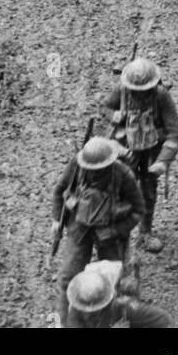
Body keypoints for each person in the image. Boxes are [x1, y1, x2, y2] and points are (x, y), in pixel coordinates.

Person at [51, 136, 145, 326]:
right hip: (80, 226)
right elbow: (59, 191)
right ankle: (63, 322)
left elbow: (138, 210)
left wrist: (116, 230)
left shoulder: (123, 174)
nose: (92, 172)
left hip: (109, 232)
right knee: (67, 279)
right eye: (89, 168)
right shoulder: (76, 166)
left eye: (98, 169)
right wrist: (55, 221)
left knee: (113, 279)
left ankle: (110, 318)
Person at [105, 57, 178, 252]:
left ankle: (145, 233)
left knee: (148, 192)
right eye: (135, 90)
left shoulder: (161, 96)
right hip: (126, 150)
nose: (139, 95)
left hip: (151, 150)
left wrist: (163, 161)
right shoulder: (121, 91)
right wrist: (111, 115)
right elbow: (103, 106)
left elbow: (175, 134)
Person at [65, 260, 172, 329]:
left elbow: (163, 320)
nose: (90, 311)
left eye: (95, 308)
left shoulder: (124, 307)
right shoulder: (77, 308)